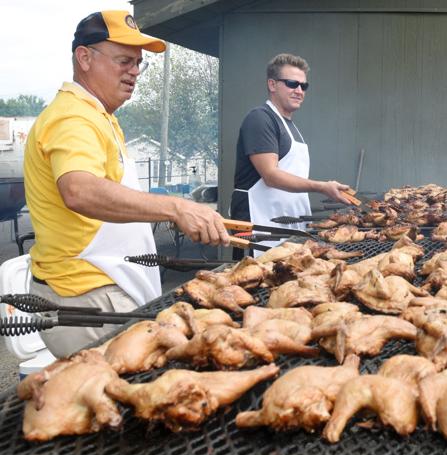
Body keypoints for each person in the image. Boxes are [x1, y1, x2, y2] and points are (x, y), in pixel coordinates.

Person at [23, 11, 231, 358]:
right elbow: (79, 189)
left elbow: (112, 194)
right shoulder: (73, 116)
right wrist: (177, 207)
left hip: (106, 286)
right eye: (124, 60)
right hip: (85, 294)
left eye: (138, 64)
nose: (134, 72)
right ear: (84, 58)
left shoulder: (100, 116)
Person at [230, 53, 352, 255]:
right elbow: (271, 175)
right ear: (272, 84)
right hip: (259, 226)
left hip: (288, 225)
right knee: (254, 282)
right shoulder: (260, 119)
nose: (299, 90)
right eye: (291, 83)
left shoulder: (291, 127)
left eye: (304, 86)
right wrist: (321, 187)